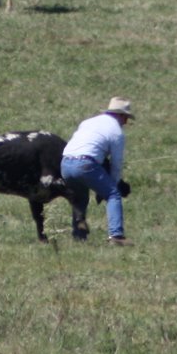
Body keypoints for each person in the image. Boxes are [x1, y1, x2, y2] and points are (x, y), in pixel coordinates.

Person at [61, 97, 134, 245]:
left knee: (80, 198)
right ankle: (116, 236)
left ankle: (79, 235)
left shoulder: (87, 122)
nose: (126, 122)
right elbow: (117, 163)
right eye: (126, 118)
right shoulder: (116, 132)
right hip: (86, 164)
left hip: (65, 163)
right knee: (113, 194)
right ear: (120, 115)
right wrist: (113, 183)